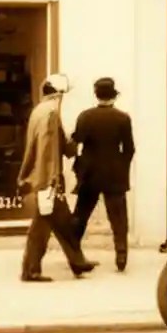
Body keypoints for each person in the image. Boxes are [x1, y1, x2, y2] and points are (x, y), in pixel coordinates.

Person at [17, 74, 97, 282]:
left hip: (41, 178)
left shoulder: (39, 111)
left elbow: (57, 144)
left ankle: (77, 262)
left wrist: (70, 146)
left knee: (64, 223)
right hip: (47, 180)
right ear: (59, 94)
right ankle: (31, 270)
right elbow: (47, 149)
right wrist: (51, 181)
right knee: (42, 228)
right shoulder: (51, 114)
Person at [71, 77, 135, 271]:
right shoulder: (123, 118)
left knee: (81, 215)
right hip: (114, 173)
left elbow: (76, 141)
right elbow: (129, 149)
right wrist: (122, 166)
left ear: (96, 95)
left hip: (90, 172)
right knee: (118, 218)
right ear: (113, 96)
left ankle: (73, 254)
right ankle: (121, 255)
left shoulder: (85, 116)